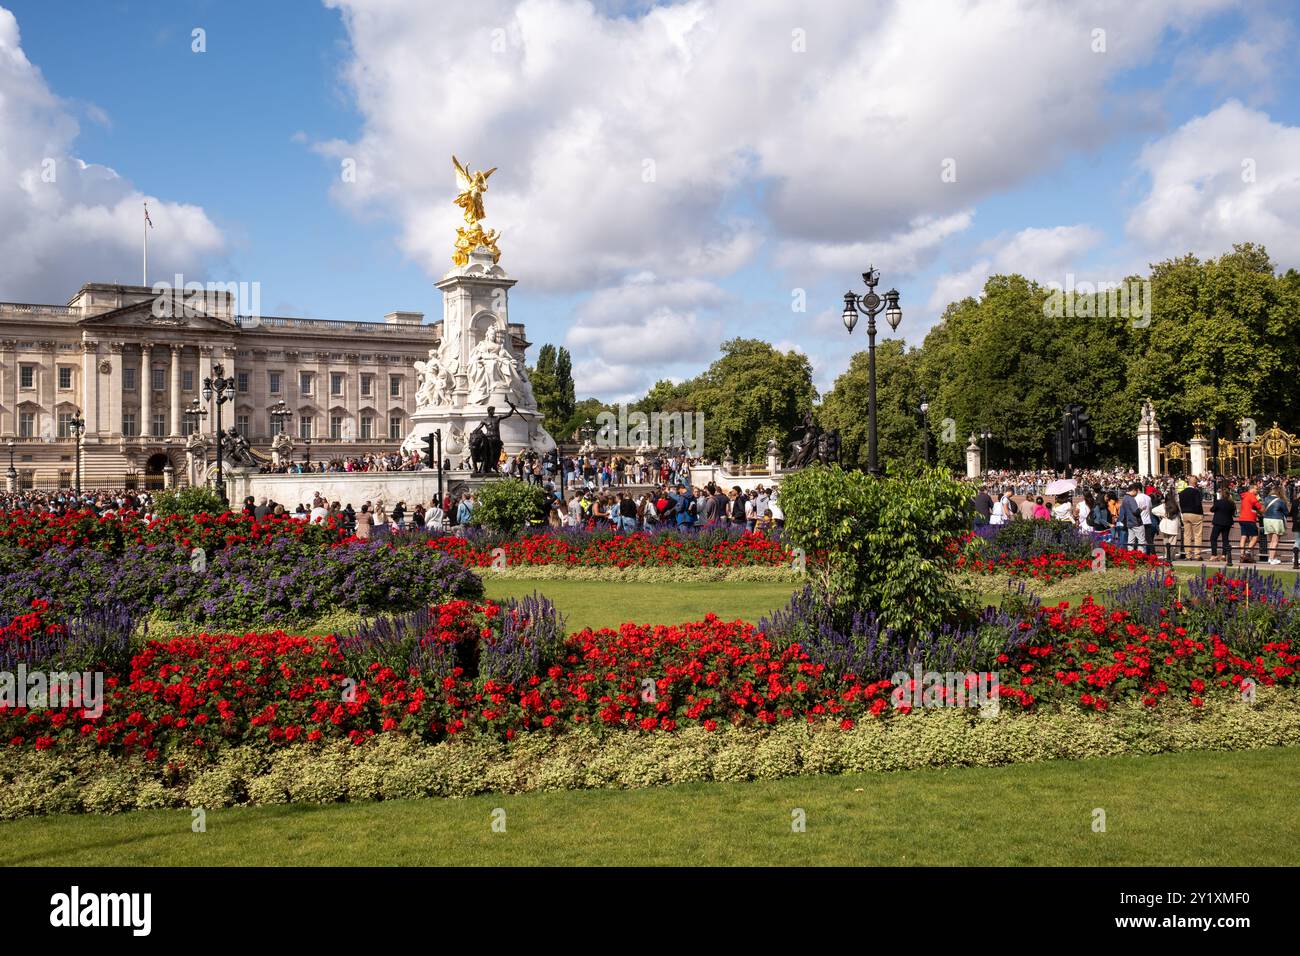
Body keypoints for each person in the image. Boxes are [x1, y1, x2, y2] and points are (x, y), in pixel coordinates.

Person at [1262, 483, 1290, 565]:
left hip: (1266, 519)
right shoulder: (1280, 501)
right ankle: (1271, 558)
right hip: (1276, 520)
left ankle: (1271, 557)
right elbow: (1286, 512)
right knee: (1275, 541)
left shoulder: (1266, 499)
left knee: (1271, 541)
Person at [1178, 479, 1205, 559]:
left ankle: (1188, 555)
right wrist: (1201, 514)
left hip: (1185, 513)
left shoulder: (1182, 492)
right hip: (1195, 513)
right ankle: (1197, 555)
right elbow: (1198, 504)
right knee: (1197, 535)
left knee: (1187, 535)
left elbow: (1181, 504)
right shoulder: (1196, 492)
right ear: (1195, 484)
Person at [1238, 480, 1262, 563]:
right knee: (1255, 536)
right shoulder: (1251, 496)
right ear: (1251, 489)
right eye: (1256, 489)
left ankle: (1242, 555)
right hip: (1249, 519)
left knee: (1244, 536)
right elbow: (1259, 507)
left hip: (1242, 518)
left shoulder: (1244, 496)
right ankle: (1248, 553)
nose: (1257, 491)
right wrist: (1258, 500)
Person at [1210, 486, 1235, 560]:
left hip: (1218, 522)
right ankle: (1224, 555)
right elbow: (1233, 513)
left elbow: (1212, 509)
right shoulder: (1231, 503)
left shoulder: (1219, 502)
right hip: (1227, 523)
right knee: (1225, 539)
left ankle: (1214, 554)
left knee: (1213, 538)